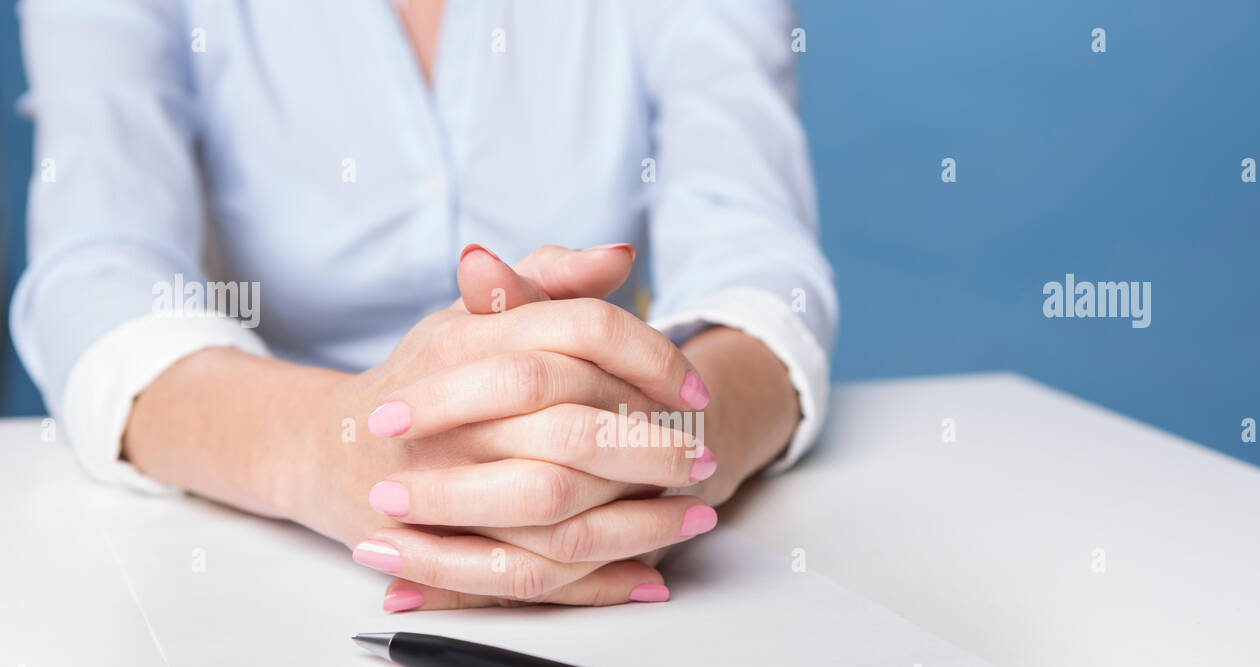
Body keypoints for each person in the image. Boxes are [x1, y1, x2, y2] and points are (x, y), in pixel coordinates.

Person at [10, 0, 836, 608]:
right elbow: (96, 269)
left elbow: (757, 255)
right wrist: (325, 448)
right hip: (269, 562)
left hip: (614, 520)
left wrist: (667, 440)